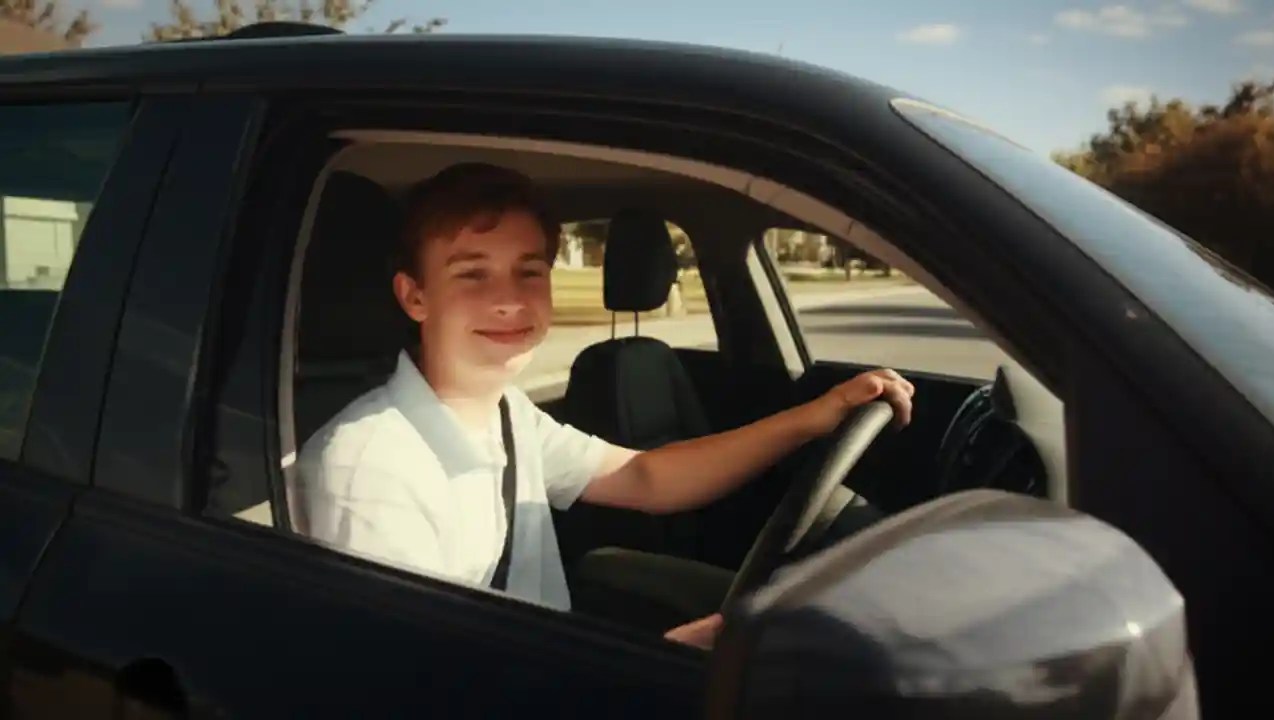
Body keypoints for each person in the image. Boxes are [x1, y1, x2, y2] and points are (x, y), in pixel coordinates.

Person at [295, 162, 914, 650]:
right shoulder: (370, 466)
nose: (510, 300)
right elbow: (407, 682)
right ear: (415, 297)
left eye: (530, 272)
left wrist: (814, 417)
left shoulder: (508, 414)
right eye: (472, 275)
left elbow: (644, 476)